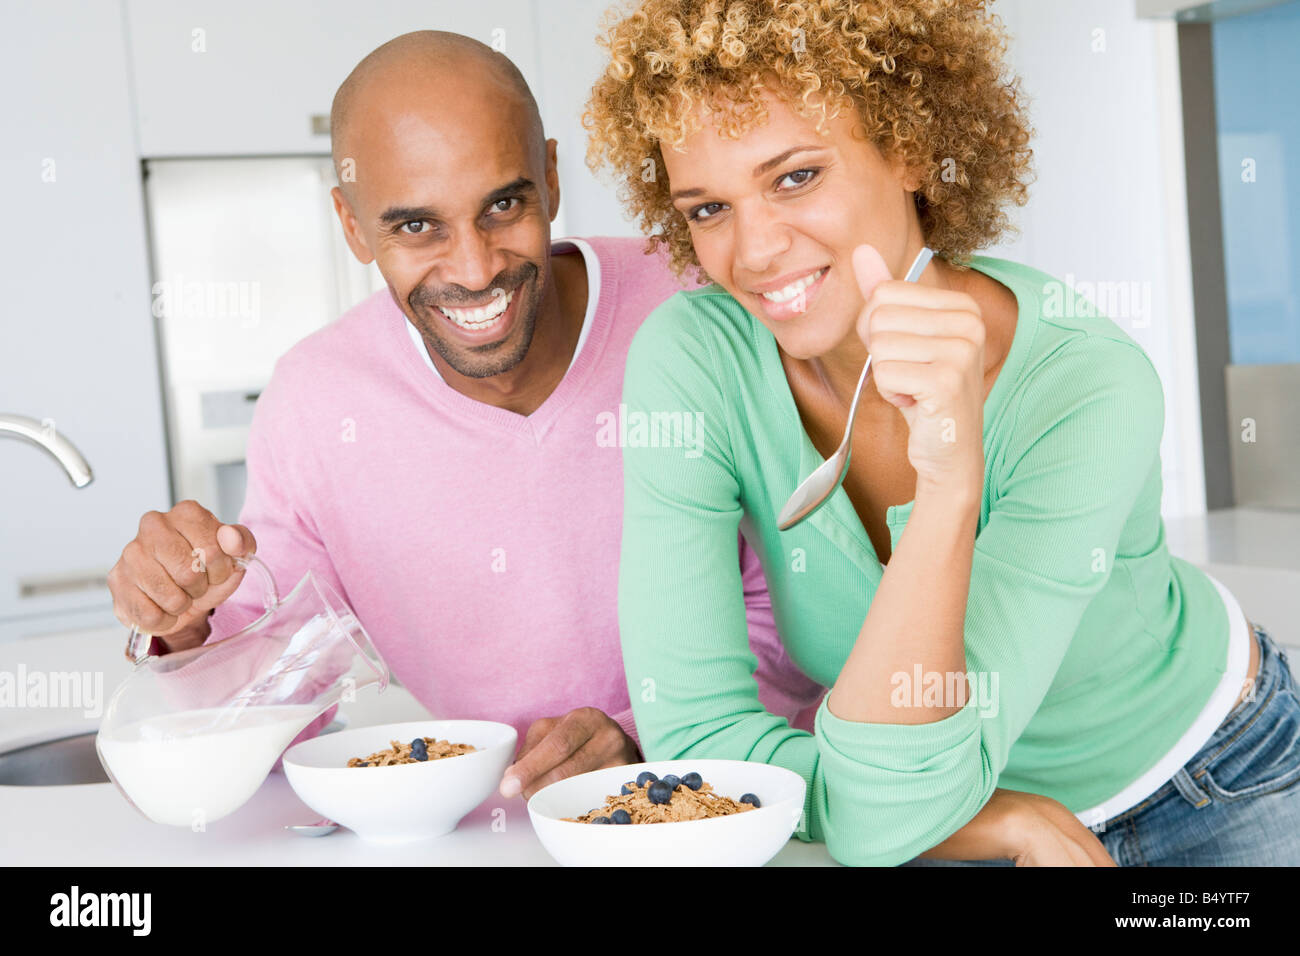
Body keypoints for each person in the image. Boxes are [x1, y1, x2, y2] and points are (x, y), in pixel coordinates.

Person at [590, 0, 1300, 866]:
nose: (755, 249)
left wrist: (951, 484)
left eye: (795, 177)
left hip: (1212, 788)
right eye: (707, 209)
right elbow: (699, 739)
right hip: (952, 828)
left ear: (910, 147)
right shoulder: (694, 363)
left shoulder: (1085, 384)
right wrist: (978, 821)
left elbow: (877, 807)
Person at [105, 30, 826, 803]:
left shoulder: (697, 306)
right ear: (352, 224)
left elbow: (808, 596)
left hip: (747, 802)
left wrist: (646, 735)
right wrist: (180, 621)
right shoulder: (316, 402)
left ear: (551, 176)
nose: (477, 268)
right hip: (500, 832)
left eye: (504, 205)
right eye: (418, 226)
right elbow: (277, 687)